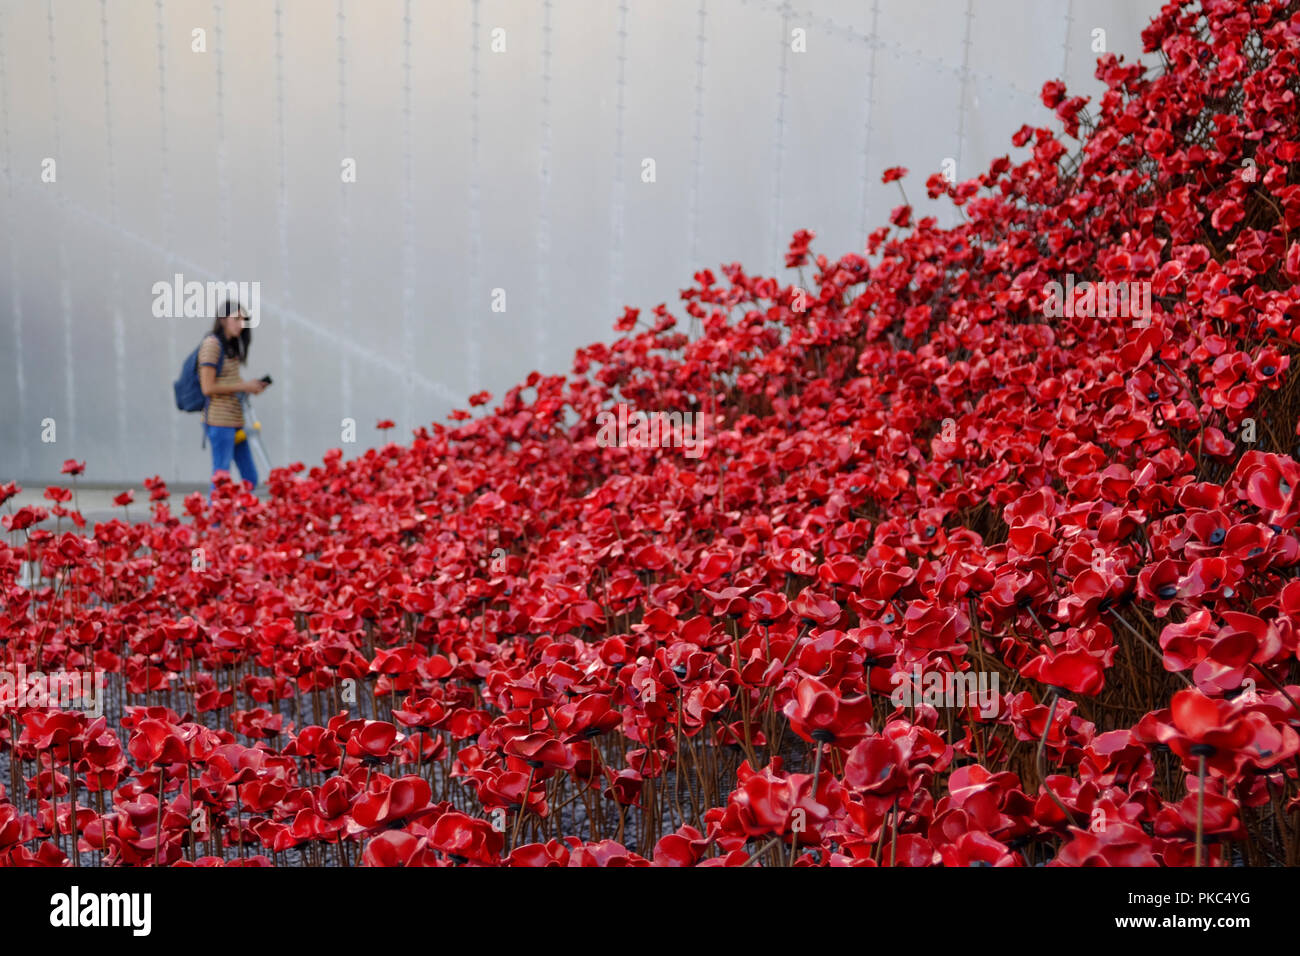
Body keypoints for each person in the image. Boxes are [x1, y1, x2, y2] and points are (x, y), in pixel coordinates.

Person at [198, 300, 267, 492]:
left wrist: (249, 387)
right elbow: (207, 387)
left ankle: (241, 519)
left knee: (250, 477)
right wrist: (244, 385)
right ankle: (215, 522)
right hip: (219, 421)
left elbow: (228, 382)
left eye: (244, 320)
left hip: (235, 421)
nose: (241, 324)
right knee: (221, 476)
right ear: (222, 320)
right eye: (236, 319)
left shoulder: (231, 347)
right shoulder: (212, 345)